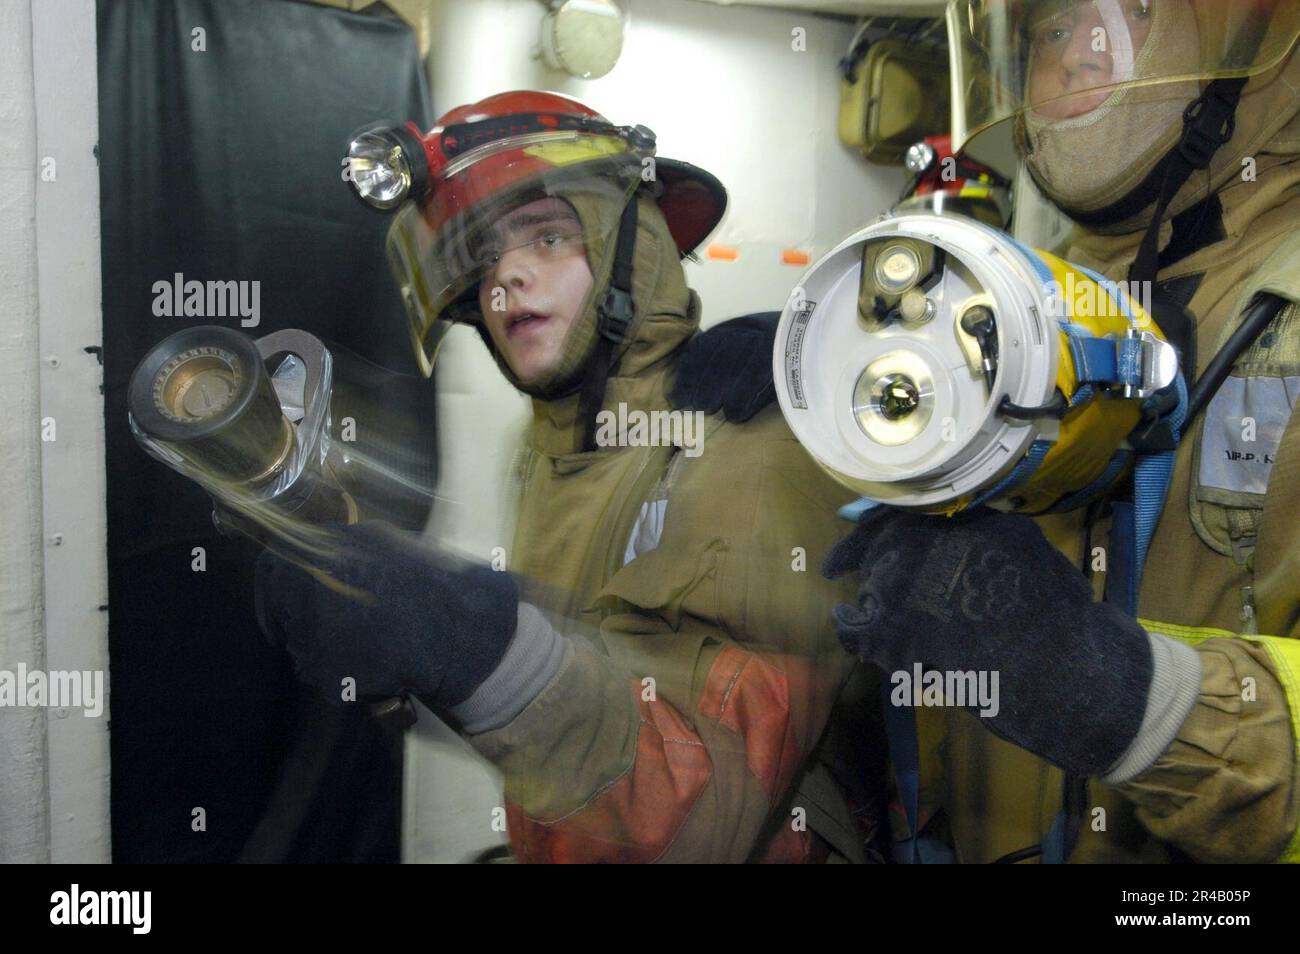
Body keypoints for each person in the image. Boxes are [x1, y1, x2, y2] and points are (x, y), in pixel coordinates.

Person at [256, 90, 888, 863]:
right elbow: (580, 702)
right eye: (483, 257)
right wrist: (406, 632)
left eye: (548, 237)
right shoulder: (550, 453)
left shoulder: (751, 443)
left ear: (635, 248)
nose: (506, 278)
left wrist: (470, 645)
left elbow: (709, 808)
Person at [820, 0, 1300, 863]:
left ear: (1253, 43)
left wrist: (1130, 701)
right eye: (1050, 33)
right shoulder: (982, 311)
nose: (1076, 59)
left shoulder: (1286, 323)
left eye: (1127, 15)